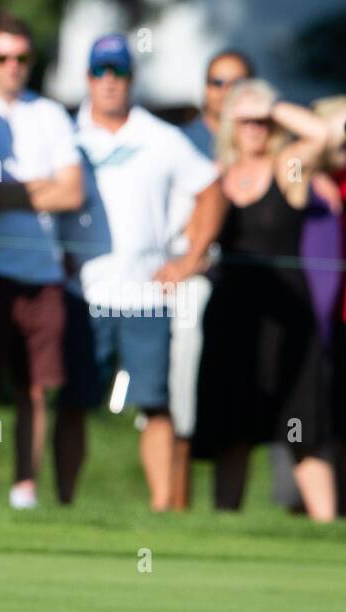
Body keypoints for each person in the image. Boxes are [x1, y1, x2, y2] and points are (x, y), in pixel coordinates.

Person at [54, 35, 223, 511]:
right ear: (88, 77)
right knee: (74, 404)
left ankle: (162, 508)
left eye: (119, 71)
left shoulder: (160, 138)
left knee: (155, 405)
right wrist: (54, 252)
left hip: (148, 295)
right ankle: (64, 507)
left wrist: (189, 261)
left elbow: (211, 189)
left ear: (131, 77)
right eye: (101, 71)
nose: (110, 81)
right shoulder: (68, 135)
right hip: (82, 293)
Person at [192, 80, 341, 521]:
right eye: (246, 120)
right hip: (232, 315)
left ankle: (324, 529)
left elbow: (324, 136)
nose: (255, 128)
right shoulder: (216, 175)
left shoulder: (288, 168)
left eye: (262, 121)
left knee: (301, 430)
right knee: (232, 427)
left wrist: (274, 105)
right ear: (230, 125)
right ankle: (225, 531)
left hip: (287, 320)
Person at [0, 12, 83, 508]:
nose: (13, 66)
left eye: (21, 57)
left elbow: (71, 192)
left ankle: (25, 488)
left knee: (36, 388)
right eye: (3, 56)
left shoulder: (49, 113)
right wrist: (38, 187)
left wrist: (9, 191)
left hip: (43, 273)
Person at [168, 49, 254, 509]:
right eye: (217, 82)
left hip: (246, 293)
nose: (226, 93)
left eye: (238, 84)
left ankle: (228, 516)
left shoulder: (264, 142)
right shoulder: (180, 141)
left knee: (236, 409)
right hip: (194, 287)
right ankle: (177, 512)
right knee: (183, 400)